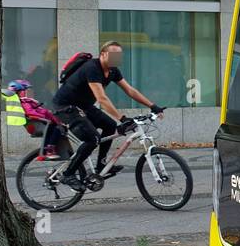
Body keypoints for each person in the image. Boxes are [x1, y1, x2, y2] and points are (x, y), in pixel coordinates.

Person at [51, 41, 163, 191]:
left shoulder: (113, 71)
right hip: (65, 106)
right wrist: (122, 118)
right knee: (92, 139)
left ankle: (101, 166)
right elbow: (102, 99)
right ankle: (68, 174)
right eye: (114, 55)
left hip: (84, 106)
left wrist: (152, 105)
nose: (117, 59)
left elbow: (130, 90)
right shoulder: (92, 68)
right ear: (103, 54)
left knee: (110, 126)